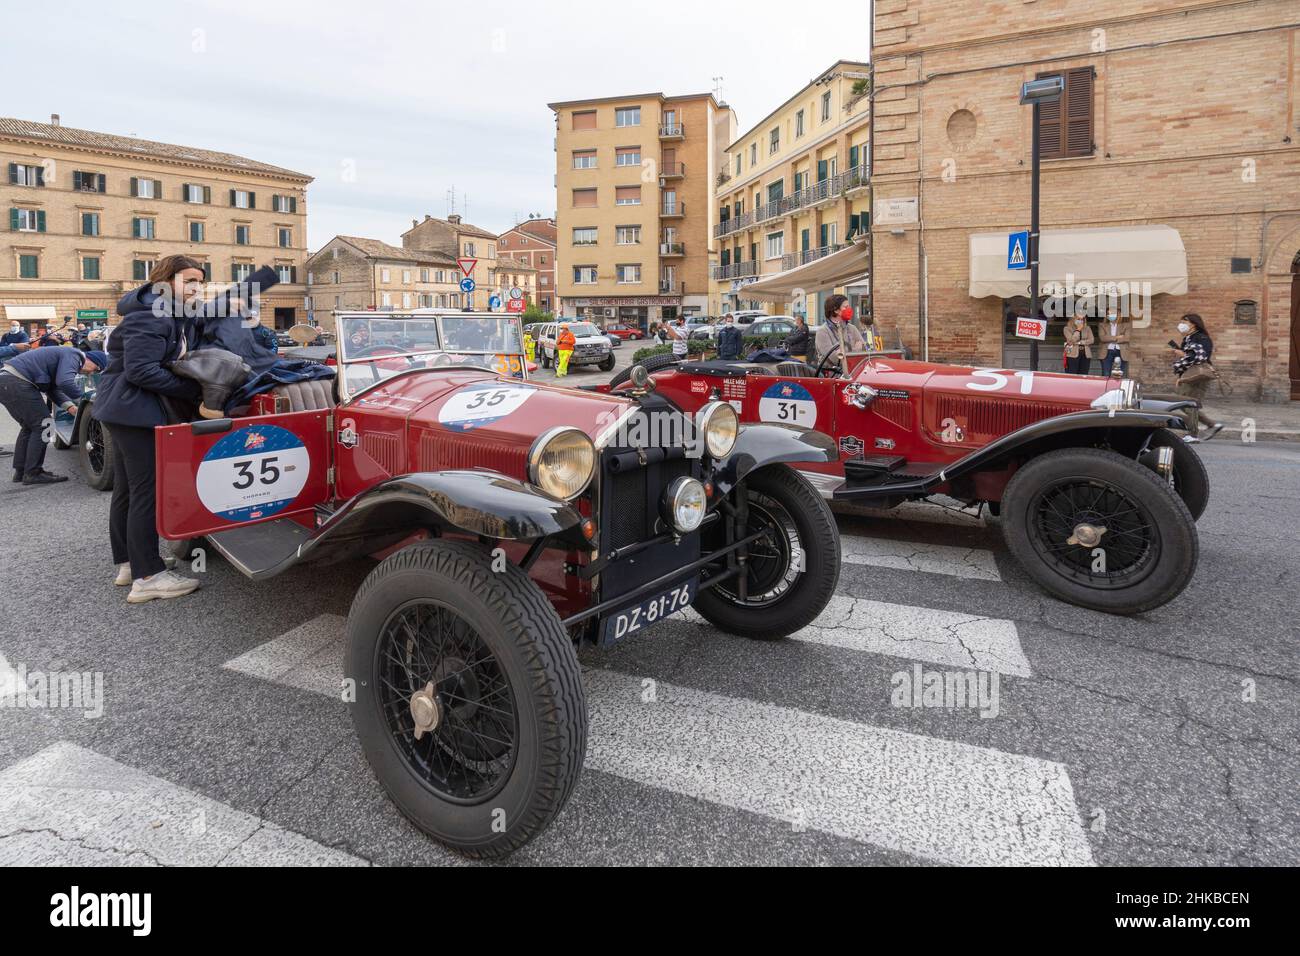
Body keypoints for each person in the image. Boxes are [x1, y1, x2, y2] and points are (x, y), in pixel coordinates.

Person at [93, 255, 206, 603]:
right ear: (165, 280)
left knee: (128, 490)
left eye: (200, 282)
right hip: (135, 409)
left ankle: (130, 563)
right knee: (145, 492)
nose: (196, 288)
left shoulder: (159, 310)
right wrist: (195, 391)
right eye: (189, 280)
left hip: (124, 408)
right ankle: (148, 576)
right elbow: (141, 370)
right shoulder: (152, 313)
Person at [0, 345, 106, 484]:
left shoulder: (64, 357)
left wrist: (70, 407)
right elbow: (65, 382)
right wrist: (86, 400)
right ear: (92, 360)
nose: (91, 373)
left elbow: (53, 389)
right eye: (96, 369)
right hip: (17, 382)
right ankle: (33, 472)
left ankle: (22, 471)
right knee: (45, 425)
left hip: (7, 381)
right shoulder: (74, 355)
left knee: (29, 427)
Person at [1171, 312, 1224, 440]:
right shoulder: (1187, 339)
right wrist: (1180, 377)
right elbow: (1187, 359)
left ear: (1194, 324)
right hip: (1188, 375)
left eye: (1185, 322)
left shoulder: (1201, 338)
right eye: (1181, 322)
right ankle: (1211, 424)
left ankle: (1193, 434)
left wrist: (1182, 354)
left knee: (1188, 404)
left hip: (1198, 375)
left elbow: (1201, 356)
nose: (1181, 325)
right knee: (1185, 403)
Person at [814, 294, 865, 371]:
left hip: (853, 373)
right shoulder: (822, 332)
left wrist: (843, 352)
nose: (849, 309)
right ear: (836, 310)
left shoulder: (852, 328)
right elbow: (836, 360)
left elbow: (864, 352)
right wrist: (856, 350)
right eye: (846, 307)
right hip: (832, 377)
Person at [1098, 305, 1131, 378]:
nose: (1110, 315)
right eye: (1108, 314)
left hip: (1121, 351)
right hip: (1107, 351)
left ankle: (1116, 389)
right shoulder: (1102, 325)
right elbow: (1103, 338)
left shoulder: (1126, 325)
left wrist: (1110, 338)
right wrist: (1117, 337)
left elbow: (1127, 338)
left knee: (1118, 376)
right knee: (1105, 374)